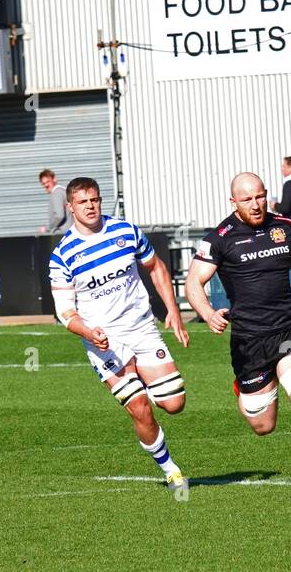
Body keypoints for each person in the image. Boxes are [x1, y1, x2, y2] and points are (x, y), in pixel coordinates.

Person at [185, 172, 291, 505]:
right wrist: (208, 313)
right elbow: (195, 282)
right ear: (233, 202)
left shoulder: (285, 227)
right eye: (247, 199)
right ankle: (246, 388)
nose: (256, 204)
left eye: (260, 196)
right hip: (250, 341)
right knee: (263, 425)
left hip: (289, 330)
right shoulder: (219, 238)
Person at [49, 177, 190, 489]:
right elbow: (65, 312)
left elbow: (156, 268)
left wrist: (173, 310)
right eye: (83, 202)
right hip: (104, 342)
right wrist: (87, 331)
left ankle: (146, 383)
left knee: (174, 403)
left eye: (95, 200)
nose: (90, 206)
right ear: (70, 207)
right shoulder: (63, 255)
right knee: (140, 409)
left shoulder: (125, 231)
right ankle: (171, 470)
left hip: (142, 328)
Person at [39, 169, 70, 234]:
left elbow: (59, 216)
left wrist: (47, 228)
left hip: (63, 233)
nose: (46, 185)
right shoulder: (63, 191)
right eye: (43, 183)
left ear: (54, 179)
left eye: (48, 181)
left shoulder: (57, 193)